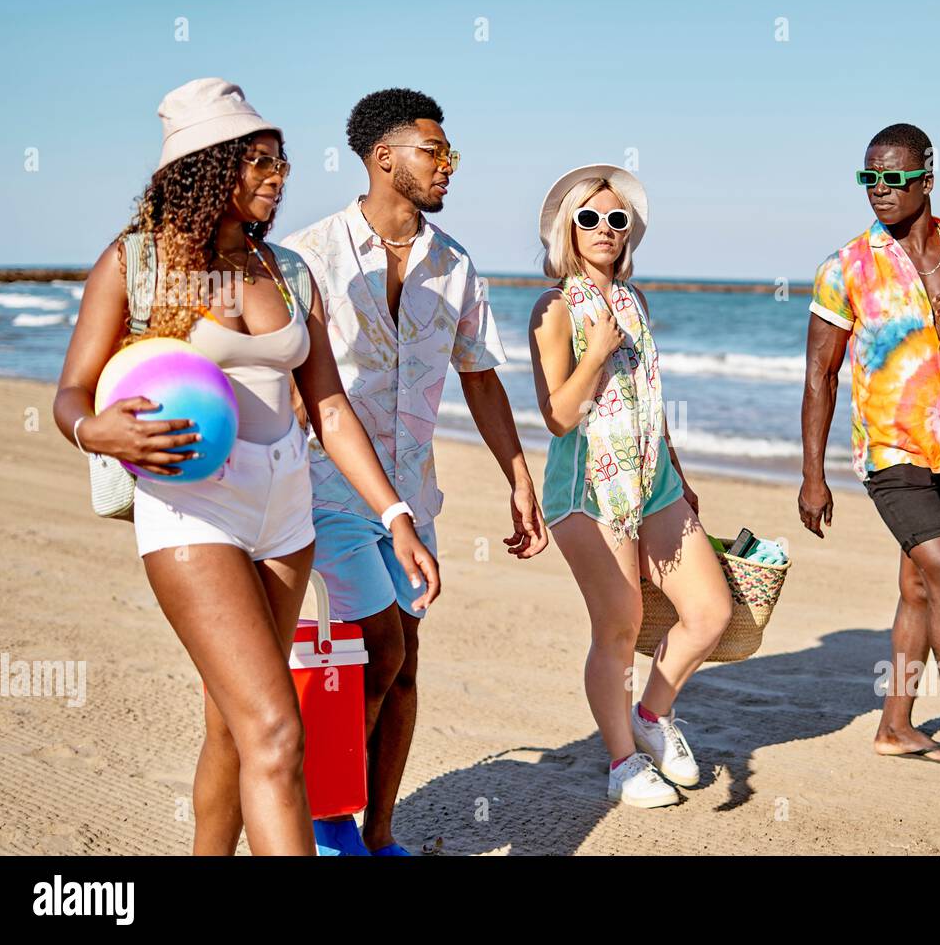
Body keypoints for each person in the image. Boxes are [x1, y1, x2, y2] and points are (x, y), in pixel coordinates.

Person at [52, 78, 439, 855]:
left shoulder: (288, 271)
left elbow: (329, 408)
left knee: (232, 727)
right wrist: (97, 432)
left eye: (281, 160)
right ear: (205, 168)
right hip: (195, 511)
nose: (277, 175)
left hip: (286, 514)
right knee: (276, 727)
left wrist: (395, 516)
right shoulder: (138, 263)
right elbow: (71, 391)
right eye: (257, 161)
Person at [281, 88, 548, 855]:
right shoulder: (309, 256)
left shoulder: (454, 264)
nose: (448, 167)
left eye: (448, 153)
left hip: (414, 497)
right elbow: (287, 374)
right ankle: (327, 818)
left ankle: (381, 829)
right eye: (436, 152)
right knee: (377, 649)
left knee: (403, 668)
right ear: (383, 158)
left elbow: (481, 376)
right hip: (329, 491)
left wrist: (518, 477)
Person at [798, 123, 940, 788]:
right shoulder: (846, 265)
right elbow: (820, 374)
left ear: (926, 182)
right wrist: (813, 475)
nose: (878, 190)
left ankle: (895, 726)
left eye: (892, 178)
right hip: (888, 452)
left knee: (918, 586)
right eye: (868, 178)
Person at [527, 164, 733, 808]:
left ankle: (651, 714)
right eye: (589, 218)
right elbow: (558, 415)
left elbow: (650, 398)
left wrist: (679, 470)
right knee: (620, 626)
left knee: (711, 612)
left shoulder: (635, 301)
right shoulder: (554, 308)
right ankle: (621, 762)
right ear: (568, 229)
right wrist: (596, 353)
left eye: (617, 219)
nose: (604, 230)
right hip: (588, 489)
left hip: (655, 481)